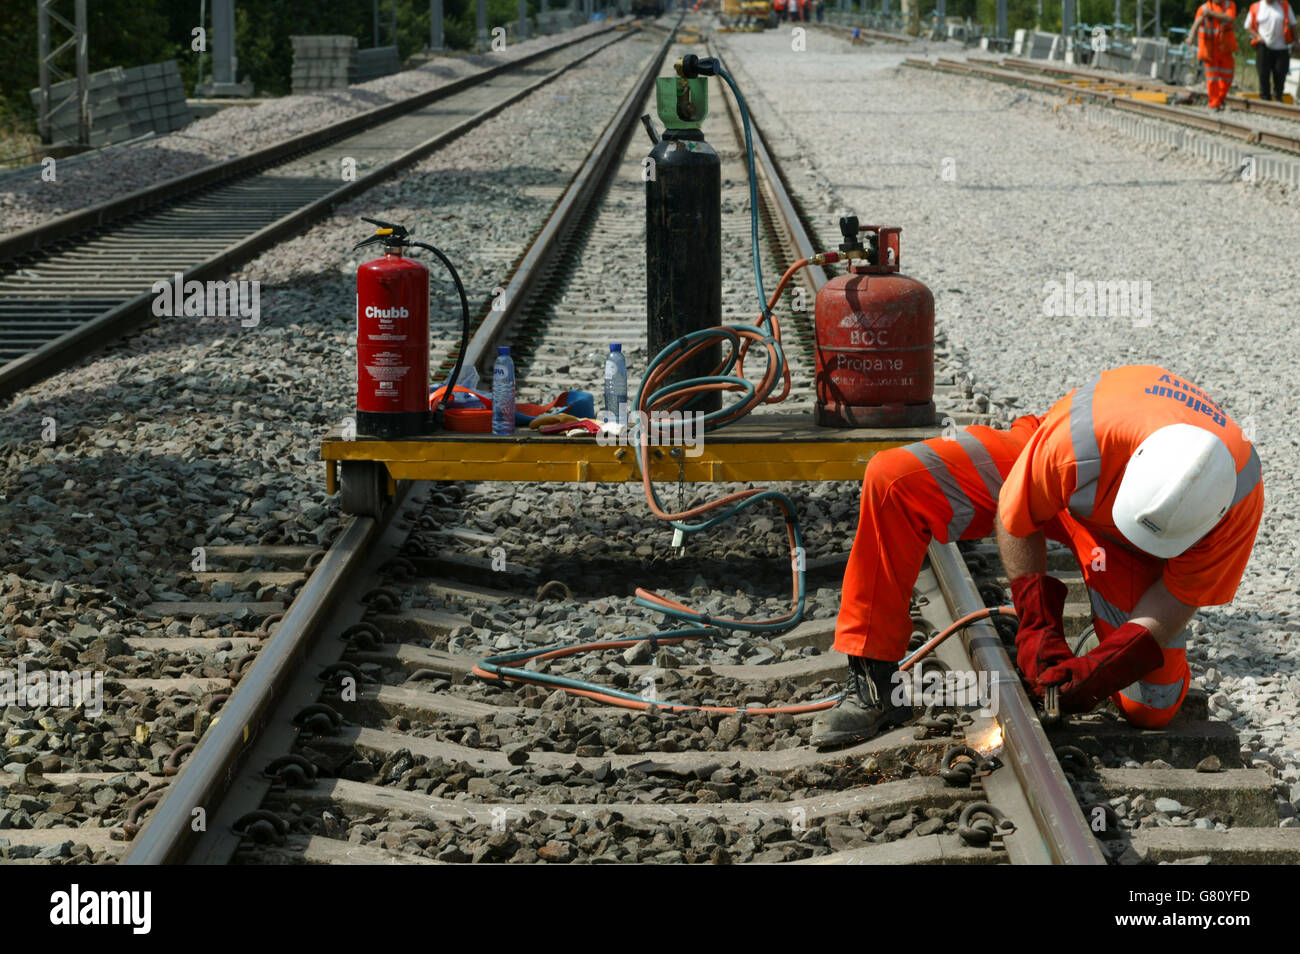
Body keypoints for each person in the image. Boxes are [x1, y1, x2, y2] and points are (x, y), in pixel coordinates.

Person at [811, 365, 1263, 747]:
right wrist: (1036, 623)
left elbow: (1181, 593)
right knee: (894, 480)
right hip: (1053, 482)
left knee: (1152, 707)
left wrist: (1110, 662)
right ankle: (872, 680)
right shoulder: (1080, 439)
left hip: (1123, 550)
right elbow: (1016, 518)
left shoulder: (1239, 498)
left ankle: (1098, 641)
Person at [1186, 0, 1240, 109]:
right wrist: (1191, 37)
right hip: (1210, 50)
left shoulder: (1229, 5)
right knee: (1212, 79)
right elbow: (1197, 22)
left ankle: (1219, 99)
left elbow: (1229, 18)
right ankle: (1214, 104)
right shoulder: (1203, 8)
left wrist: (1211, 14)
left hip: (1225, 48)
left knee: (1228, 77)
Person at [1246, 0, 1298, 100]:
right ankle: (1265, 98)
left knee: (1280, 74)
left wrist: (1296, 41)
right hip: (1264, 46)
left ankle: (1278, 97)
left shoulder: (1284, 5)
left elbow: (1293, 24)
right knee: (1263, 74)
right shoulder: (1256, 6)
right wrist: (1257, 36)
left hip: (1282, 47)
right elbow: (1248, 26)